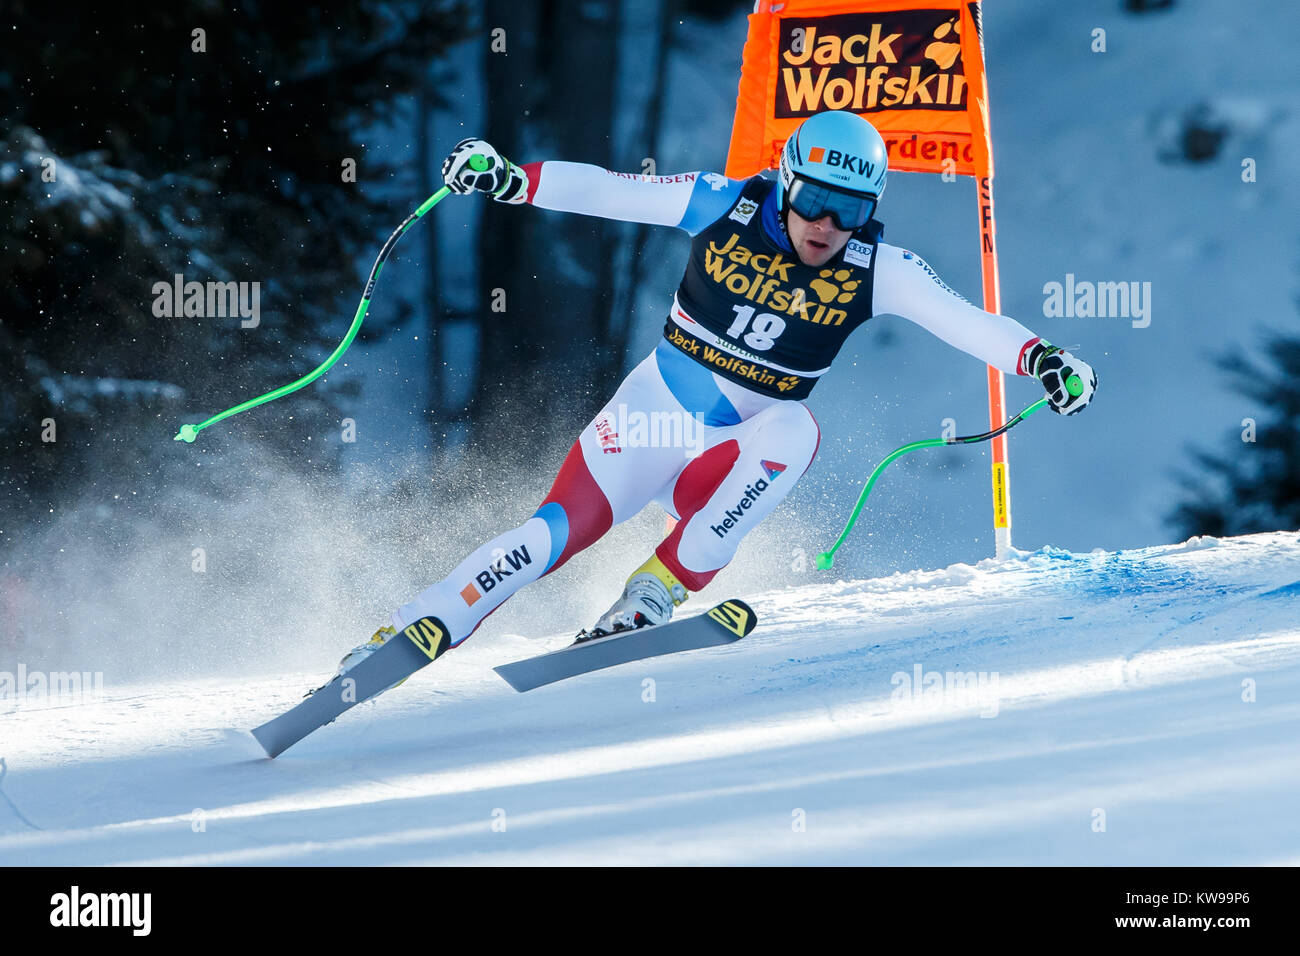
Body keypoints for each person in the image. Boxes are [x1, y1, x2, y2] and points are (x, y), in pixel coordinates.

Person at [335, 109, 1097, 673]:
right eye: (816, 202)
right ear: (787, 182)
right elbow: (614, 192)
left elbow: (968, 322)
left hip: (730, 454)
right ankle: (410, 628)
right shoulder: (719, 205)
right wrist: (511, 180)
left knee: (796, 430)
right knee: (549, 538)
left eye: (852, 211)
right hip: (650, 420)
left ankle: (652, 594)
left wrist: (1044, 358)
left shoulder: (878, 270)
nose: (829, 225)